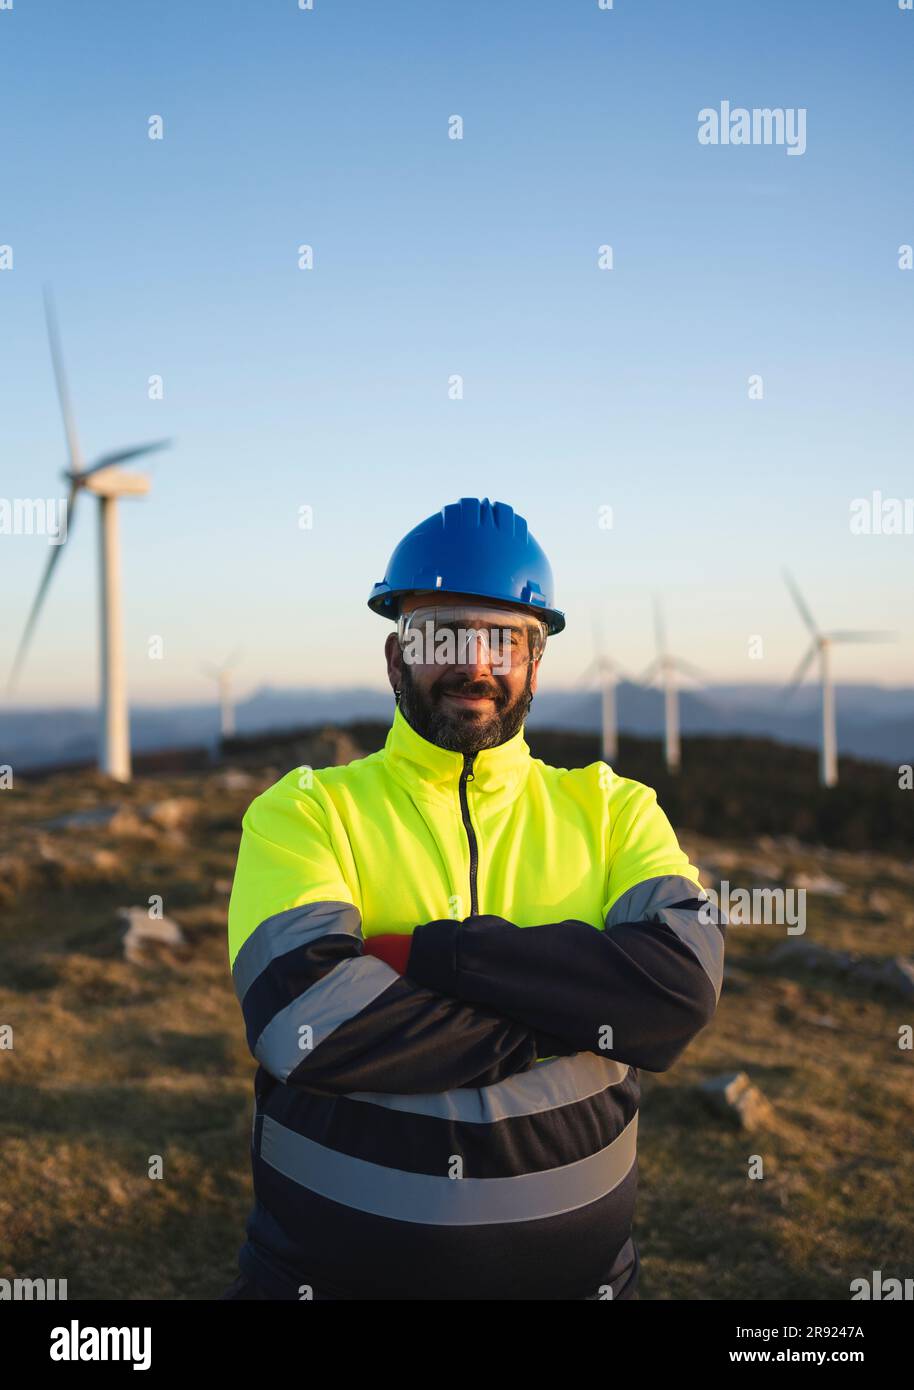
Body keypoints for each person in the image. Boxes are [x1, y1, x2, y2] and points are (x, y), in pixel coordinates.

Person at [221, 496, 725, 1300]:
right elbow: (303, 1022)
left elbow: (677, 989)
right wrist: (571, 1016)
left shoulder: (613, 809)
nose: (476, 664)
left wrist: (428, 959)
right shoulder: (306, 809)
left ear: (536, 661)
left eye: (505, 639)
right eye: (441, 634)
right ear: (395, 657)